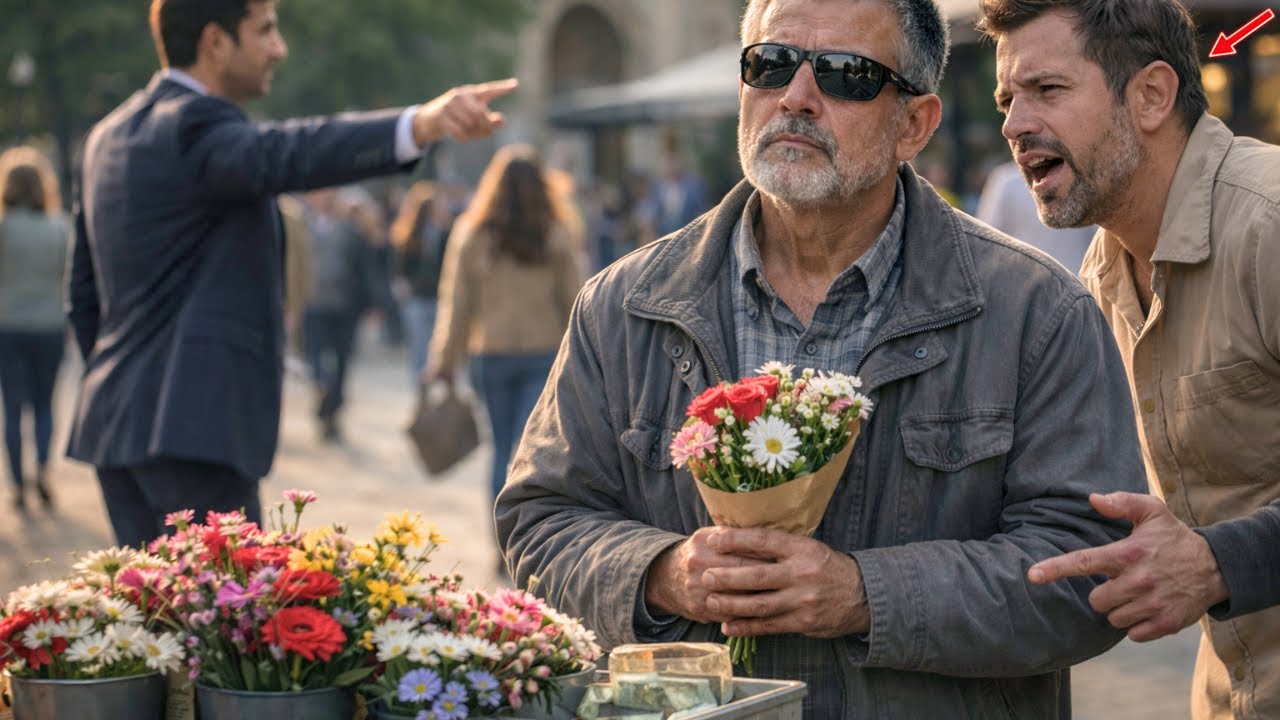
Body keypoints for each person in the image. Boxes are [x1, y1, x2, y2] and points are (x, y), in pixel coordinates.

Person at [495, 0, 1147, 716]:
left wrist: (865, 595)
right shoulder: (624, 303)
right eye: (769, 65)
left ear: (915, 124)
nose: (796, 97)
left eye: (845, 75)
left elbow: (1090, 572)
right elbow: (541, 522)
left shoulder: (1036, 312)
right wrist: (660, 573)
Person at [67, 0, 516, 548]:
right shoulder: (196, 128)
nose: (279, 48)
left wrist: (118, 386)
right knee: (222, 624)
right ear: (215, 43)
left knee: (154, 624)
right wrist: (420, 124)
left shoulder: (106, 138)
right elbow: (292, 151)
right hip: (195, 432)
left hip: (114, 429)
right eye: (265, 31)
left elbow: (84, 297)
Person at [980, 1, 1280, 717]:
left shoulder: (1268, 223)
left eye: (1047, 91)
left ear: (1150, 95)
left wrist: (1216, 562)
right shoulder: (1098, 277)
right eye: (1007, 99)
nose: (1015, 125)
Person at [426, 144, 584, 573]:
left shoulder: (473, 234)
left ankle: (502, 544)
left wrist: (443, 358)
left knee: (500, 452)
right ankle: (526, 544)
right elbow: (577, 299)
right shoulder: (553, 233)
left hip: (489, 355)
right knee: (527, 452)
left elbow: (455, 303)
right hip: (542, 355)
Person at [0, 146, 70, 513]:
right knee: (44, 405)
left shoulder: (3, 228)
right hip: (49, 325)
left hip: (7, 325)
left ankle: (17, 484)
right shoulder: (59, 227)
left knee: (13, 409)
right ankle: (43, 467)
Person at [976, 160, 1096, 273]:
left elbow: (985, 240)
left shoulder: (1005, 179)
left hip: (1026, 282)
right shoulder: (1083, 178)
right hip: (1075, 279)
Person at [390, 181, 454, 382]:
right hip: (417, 298)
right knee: (419, 348)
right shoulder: (411, 235)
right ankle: (420, 391)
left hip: (439, 297)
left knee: (438, 349)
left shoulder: (447, 234)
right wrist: (404, 285)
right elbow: (400, 265)